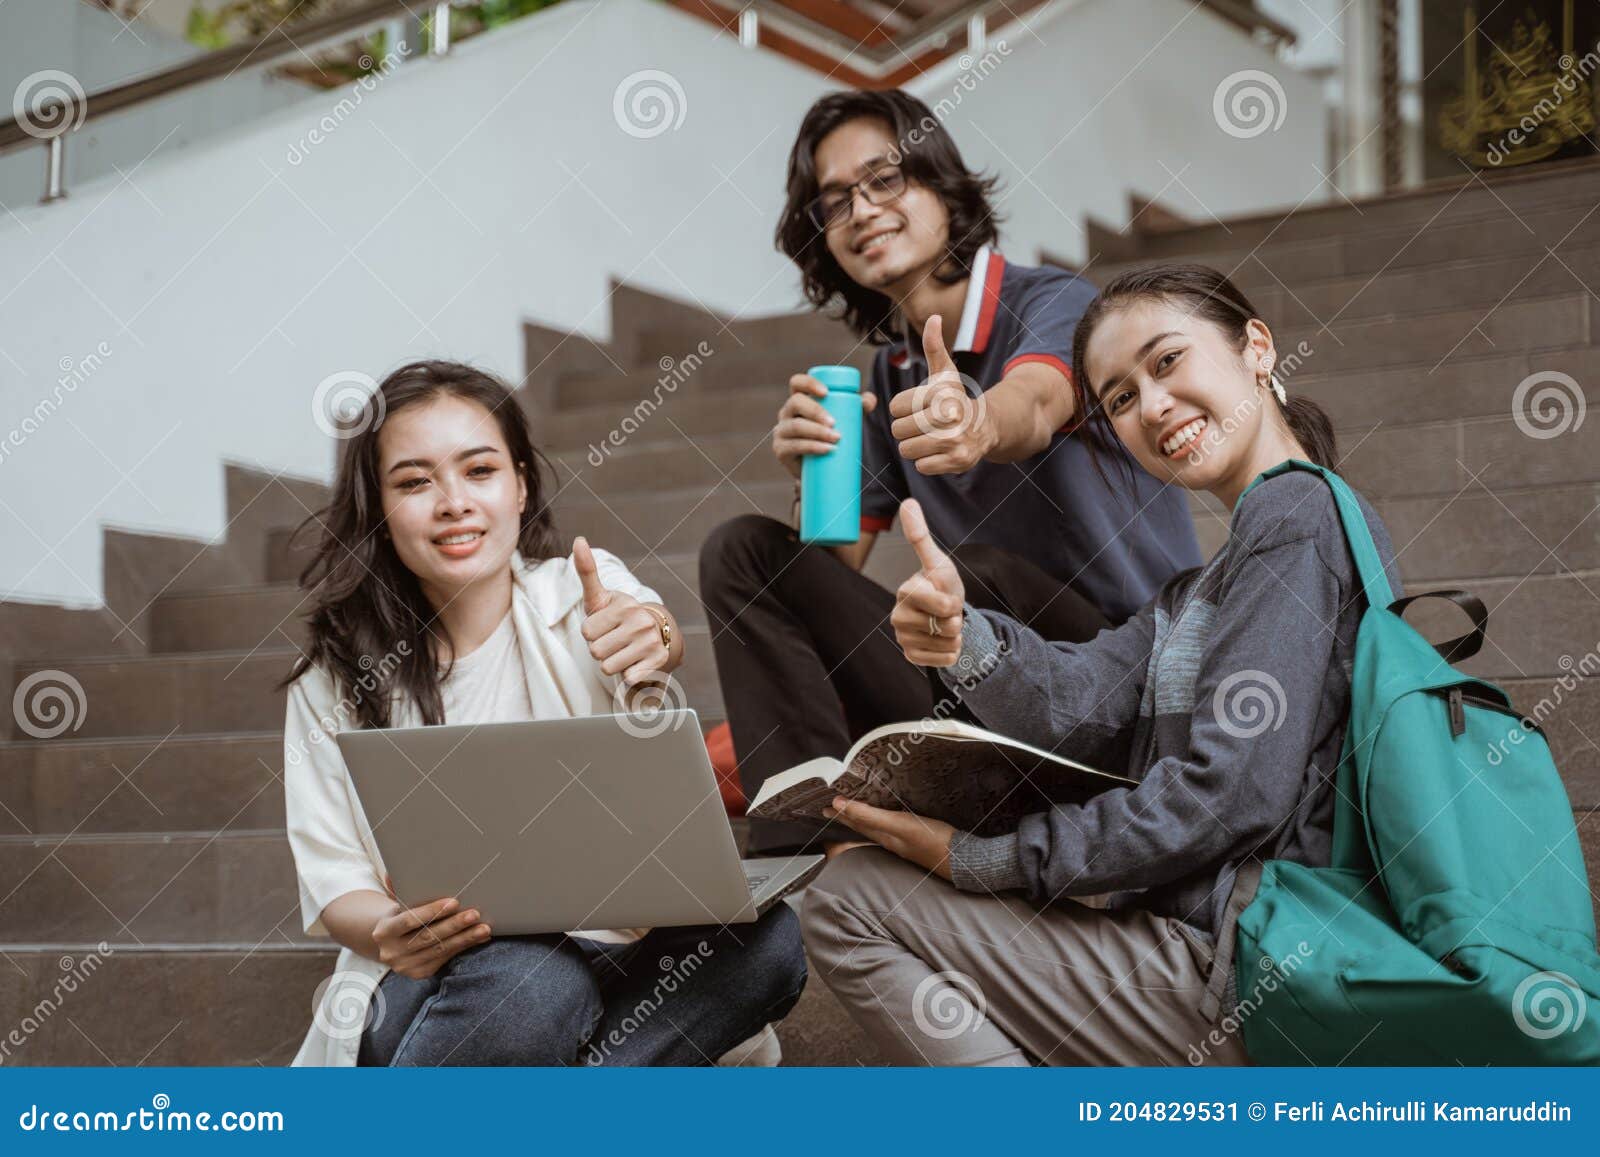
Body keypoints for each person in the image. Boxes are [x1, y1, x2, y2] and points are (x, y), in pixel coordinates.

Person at [799, 264, 1404, 1066]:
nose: (1151, 407)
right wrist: (962, 638)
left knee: (847, 902)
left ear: (1257, 347)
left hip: (1241, 973)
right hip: (1195, 948)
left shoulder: (1296, 515)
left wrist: (982, 858)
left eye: (1165, 362)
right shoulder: (1206, 585)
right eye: (1118, 398)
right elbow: (1079, 703)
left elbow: (1227, 796)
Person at [700, 90, 1200, 855]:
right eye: (834, 201)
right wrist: (812, 478)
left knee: (975, 576)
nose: (861, 210)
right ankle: (808, 844)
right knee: (744, 552)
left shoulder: (1056, 304)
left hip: (1117, 675)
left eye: (885, 179)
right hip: (978, 672)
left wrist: (975, 423)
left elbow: (1034, 402)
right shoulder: (887, 372)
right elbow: (826, 587)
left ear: (942, 182)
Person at [280, 360, 806, 1067]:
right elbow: (337, 878)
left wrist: (653, 636)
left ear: (521, 484)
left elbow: (644, 625)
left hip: (625, 950)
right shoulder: (335, 675)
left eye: (479, 470)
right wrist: (388, 931)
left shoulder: (579, 591)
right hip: (448, 979)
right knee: (532, 980)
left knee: (769, 943)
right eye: (413, 481)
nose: (452, 501)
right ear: (378, 506)